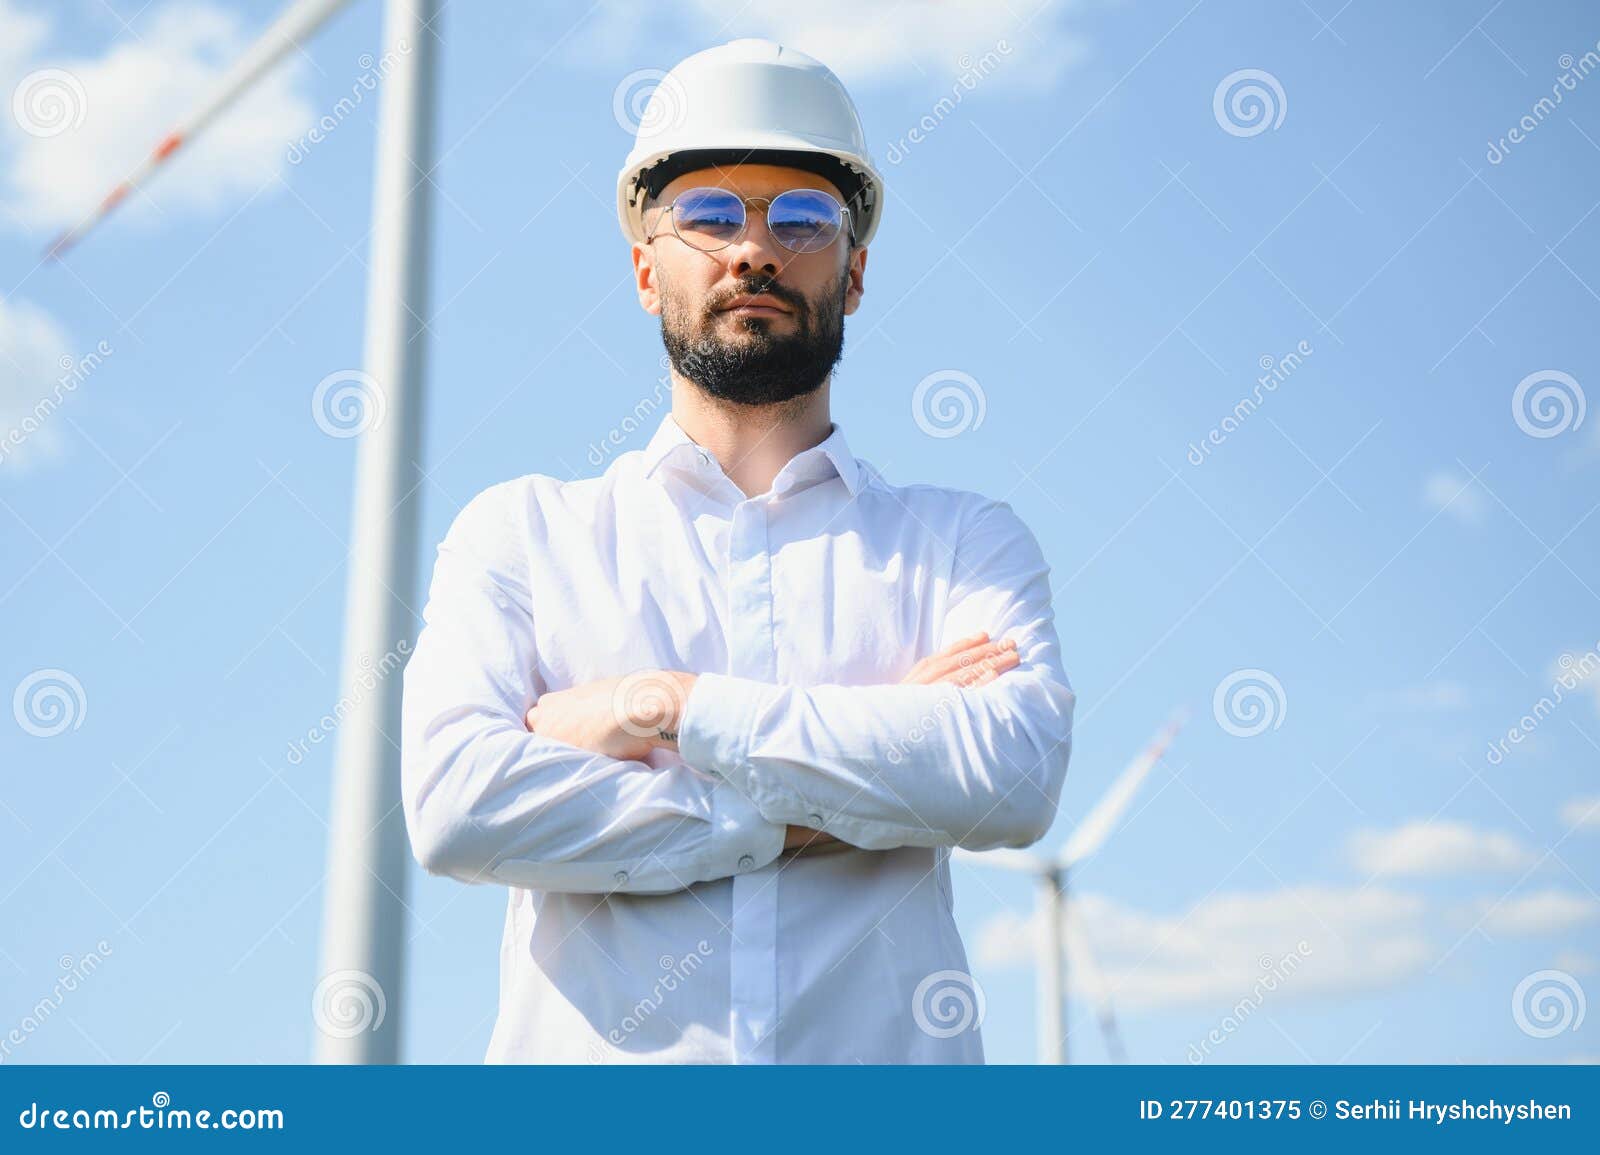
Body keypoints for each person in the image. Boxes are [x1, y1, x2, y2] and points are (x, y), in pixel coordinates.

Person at [400, 37, 1076, 1064]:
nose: (752, 249)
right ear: (645, 268)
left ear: (853, 274)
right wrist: (837, 798)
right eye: (709, 215)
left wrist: (666, 705)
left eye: (801, 219)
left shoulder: (962, 544)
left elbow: (1007, 779)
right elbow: (459, 808)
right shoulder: (523, 535)